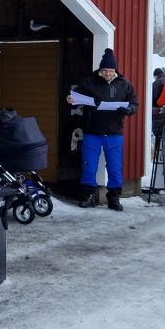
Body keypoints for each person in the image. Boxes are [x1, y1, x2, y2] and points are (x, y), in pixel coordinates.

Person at [67, 48, 138, 210]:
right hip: (92, 131)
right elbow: (74, 98)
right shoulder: (89, 82)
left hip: (114, 132)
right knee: (89, 165)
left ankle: (114, 197)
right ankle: (88, 195)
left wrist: (129, 110)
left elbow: (134, 104)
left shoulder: (125, 84)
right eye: (105, 70)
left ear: (115, 70)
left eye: (111, 71)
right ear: (100, 69)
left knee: (114, 167)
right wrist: (70, 99)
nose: (107, 74)